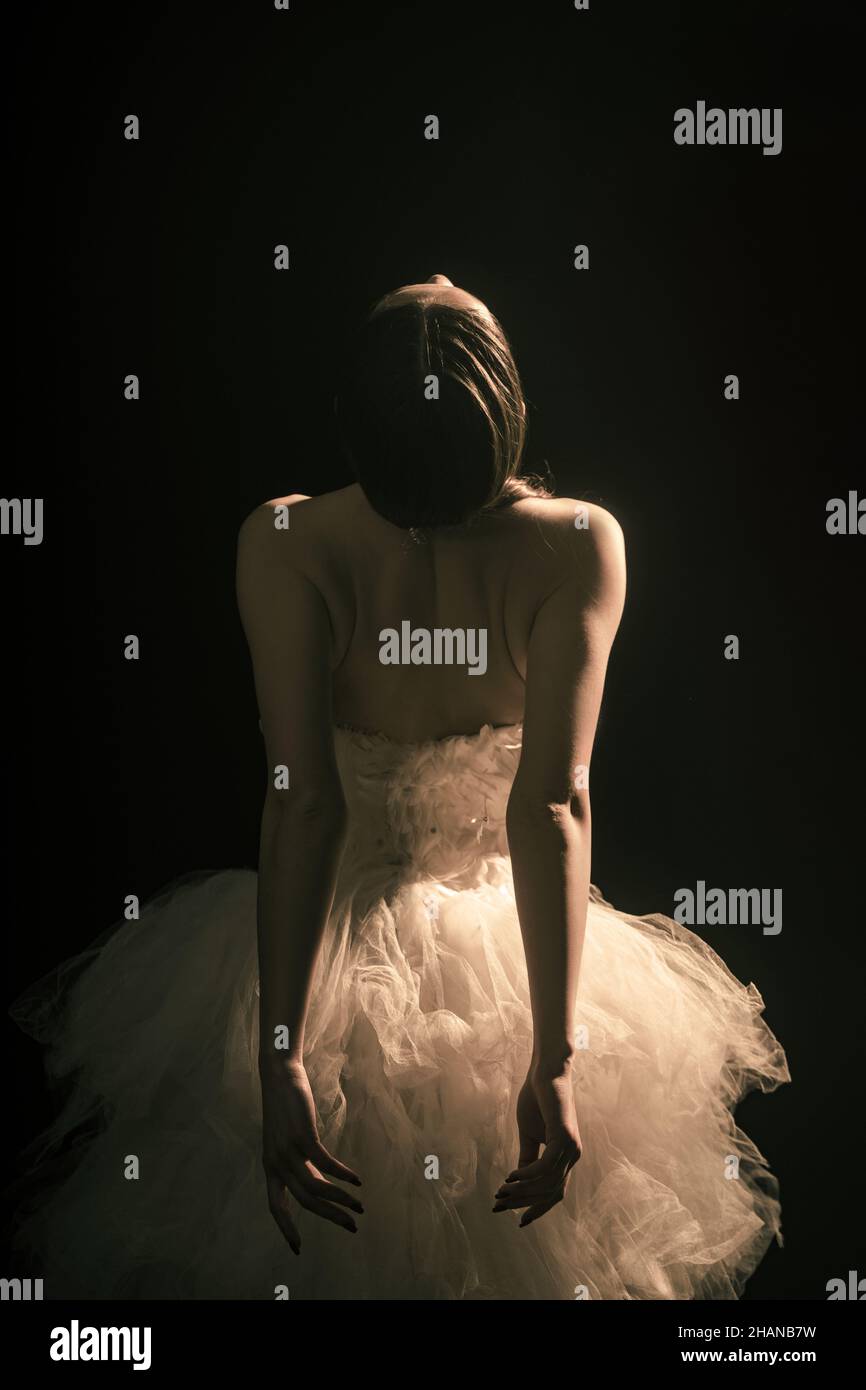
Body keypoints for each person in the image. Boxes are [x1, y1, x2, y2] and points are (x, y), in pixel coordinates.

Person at [10, 274, 789, 1300]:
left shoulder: (287, 540)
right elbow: (550, 806)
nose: (442, 276)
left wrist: (284, 1047)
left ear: (353, 421)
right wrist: (553, 1058)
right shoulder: (575, 544)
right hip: (511, 967)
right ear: (504, 406)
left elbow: (306, 800)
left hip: (322, 952)